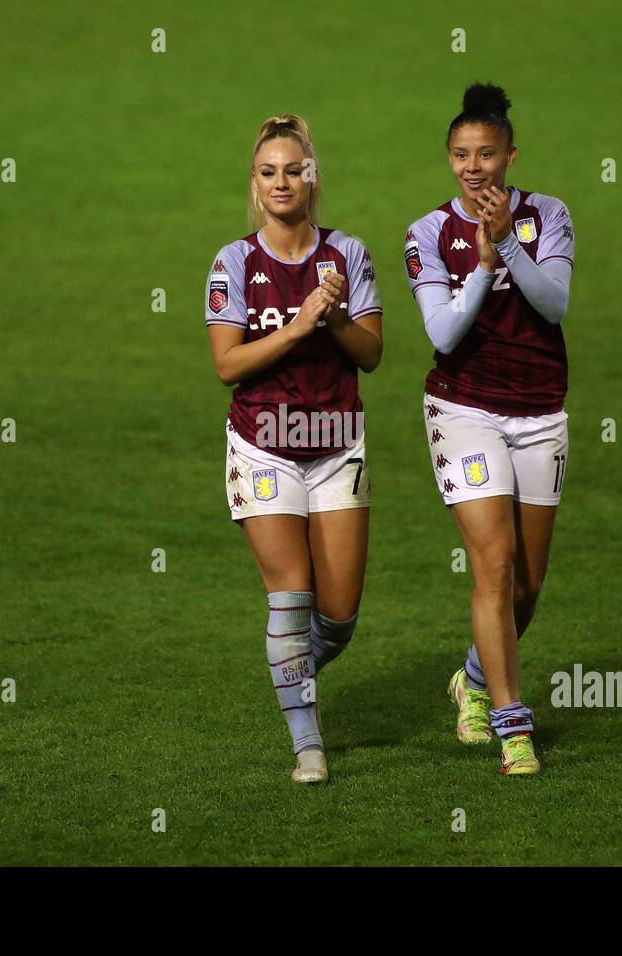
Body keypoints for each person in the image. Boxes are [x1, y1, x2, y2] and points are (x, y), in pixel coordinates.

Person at [205, 115, 383, 784]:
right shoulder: (233, 263)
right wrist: (300, 324)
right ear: (255, 184)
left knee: (337, 619)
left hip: (337, 446)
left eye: (295, 170)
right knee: (291, 596)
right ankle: (307, 743)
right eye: (269, 172)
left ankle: (290, 668)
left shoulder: (349, 257)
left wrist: (334, 317)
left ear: (313, 179)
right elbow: (227, 365)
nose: (283, 182)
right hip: (263, 448)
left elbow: (372, 354)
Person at [403, 83, 575, 776]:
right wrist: (479, 265)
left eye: (486, 153)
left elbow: (554, 304)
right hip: (464, 408)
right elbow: (443, 333)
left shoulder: (548, 215)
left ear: (510, 155)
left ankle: (472, 679)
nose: (473, 166)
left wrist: (508, 244)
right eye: (460, 155)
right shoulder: (427, 233)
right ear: (449, 160)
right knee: (495, 566)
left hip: (540, 412)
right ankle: (512, 730)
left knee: (526, 588)